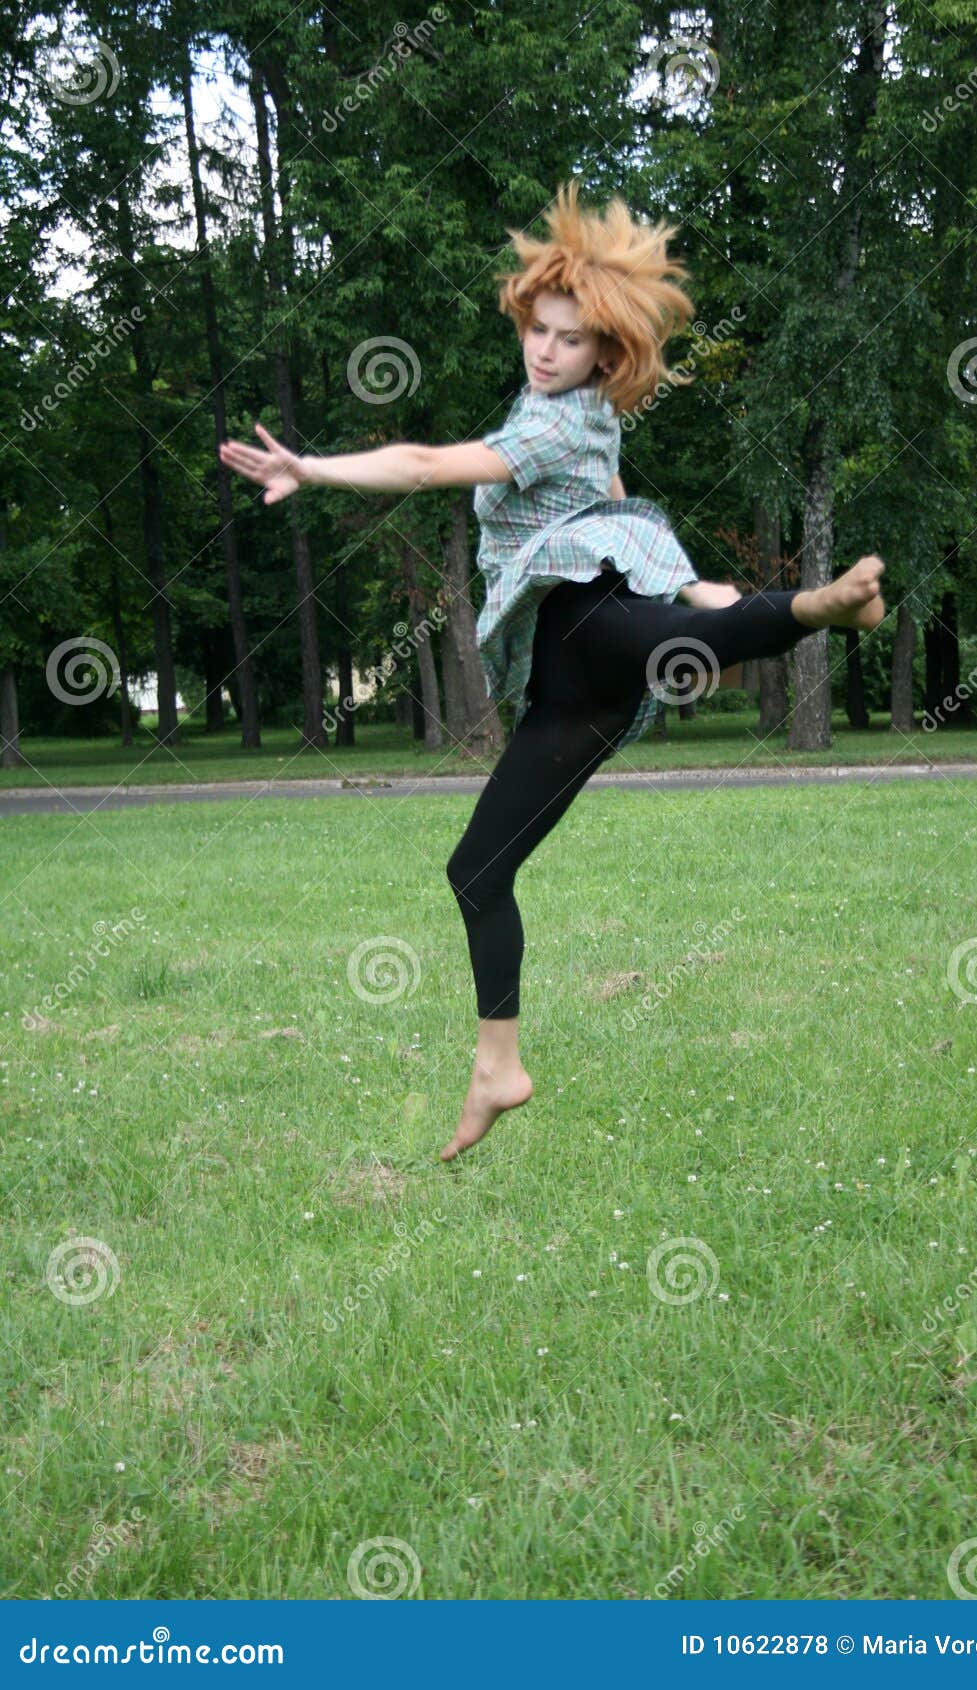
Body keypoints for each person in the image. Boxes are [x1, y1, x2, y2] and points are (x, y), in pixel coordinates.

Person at [218, 180, 885, 1165]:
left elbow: (418, 467)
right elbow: (622, 512)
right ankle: (498, 1065)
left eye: (569, 339)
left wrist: (310, 469)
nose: (545, 349)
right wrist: (696, 589)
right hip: (574, 688)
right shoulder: (583, 423)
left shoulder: (548, 425)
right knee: (476, 869)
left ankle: (807, 610)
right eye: (539, 328)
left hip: (584, 630)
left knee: (635, 633)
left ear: (602, 355)